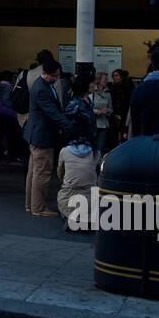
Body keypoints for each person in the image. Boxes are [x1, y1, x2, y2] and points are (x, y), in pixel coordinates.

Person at [23, 55, 68, 217]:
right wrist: (69, 125)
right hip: (42, 136)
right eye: (55, 75)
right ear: (46, 73)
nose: (57, 78)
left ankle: (31, 205)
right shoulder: (42, 89)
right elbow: (52, 112)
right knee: (42, 172)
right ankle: (38, 207)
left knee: (34, 171)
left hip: (35, 134)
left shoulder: (41, 84)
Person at [57, 75, 100, 227]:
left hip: (87, 142)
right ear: (85, 85)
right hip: (81, 142)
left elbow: (60, 173)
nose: (94, 85)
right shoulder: (76, 102)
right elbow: (69, 123)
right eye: (92, 82)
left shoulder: (86, 100)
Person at [91, 71, 113, 157]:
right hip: (94, 123)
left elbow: (111, 108)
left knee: (100, 148)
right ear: (99, 80)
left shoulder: (107, 93)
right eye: (105, 79)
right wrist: (98, 112)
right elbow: (88, 107)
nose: (106, 81)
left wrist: (108, 111)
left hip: (104, 124)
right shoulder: (92, 92)